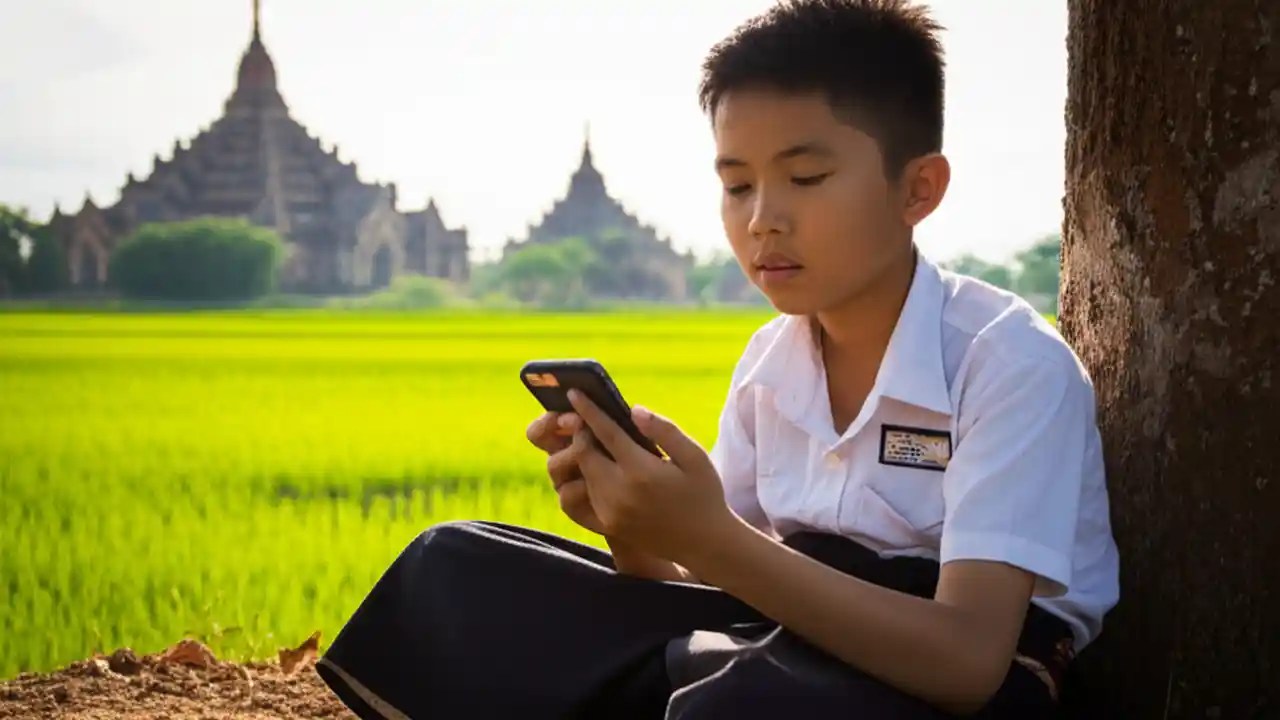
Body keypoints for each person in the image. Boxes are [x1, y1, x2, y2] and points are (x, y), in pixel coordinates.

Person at [315, 0, 1121, 717]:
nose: (764, 220)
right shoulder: (773, 361)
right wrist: (632, 528)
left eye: (806, 177)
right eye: (737, 186)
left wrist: (713, 540)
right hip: (780, 630)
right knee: (454, 567)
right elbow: (710, 592)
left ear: (917, 191)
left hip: (954, 673)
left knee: (744, 698)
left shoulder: (1008, 363)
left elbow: (968, 664)